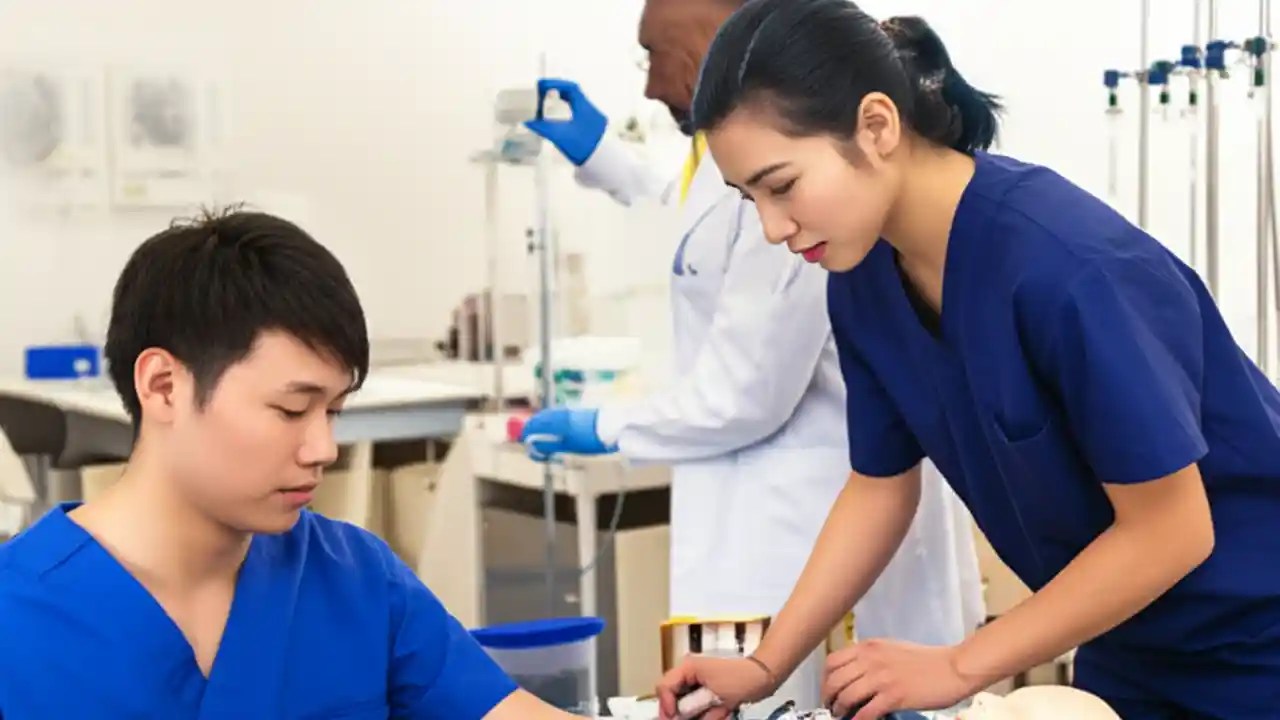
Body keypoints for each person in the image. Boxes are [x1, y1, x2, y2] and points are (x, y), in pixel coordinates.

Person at [655, 0, 1280, 718]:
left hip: (1260, 644)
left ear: (878, 126)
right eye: (748, 199)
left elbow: (1171, 531)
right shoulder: (863, 279)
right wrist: (767, 663)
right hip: (1128, 644)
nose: (771, 227)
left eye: (782, 186)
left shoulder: (1072, 268)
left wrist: (958, 666)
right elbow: (879, 487)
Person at [519, 0, 985, 709]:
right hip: (786, 519)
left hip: (803, 522)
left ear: (719, 40)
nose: (649, 86)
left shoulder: (813, 211)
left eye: (657, 57)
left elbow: (745, 395)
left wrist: (606, 428)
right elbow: (697, 236)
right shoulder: (750, 170)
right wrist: (606, 160)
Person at [0, 209, 582, 719]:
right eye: (291, 409)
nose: (324, 448)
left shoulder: (355, 580)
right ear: (163, 387)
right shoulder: (20, 617)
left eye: (333, 411)